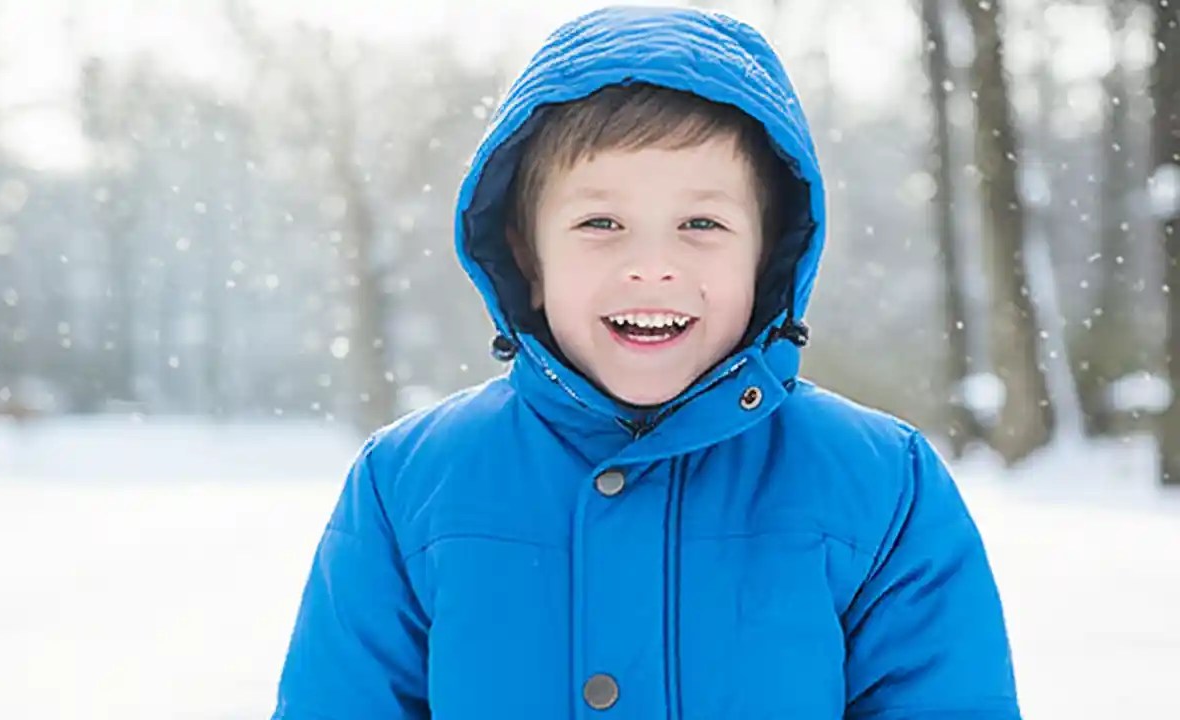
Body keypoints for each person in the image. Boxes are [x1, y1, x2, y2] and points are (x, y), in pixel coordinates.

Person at [271, 5, 1021, 719]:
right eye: (601, 222)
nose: (652, 265)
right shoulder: (409, 486)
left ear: (767, 257)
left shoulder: (882, 486)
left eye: (702, 222)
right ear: (529, 258)